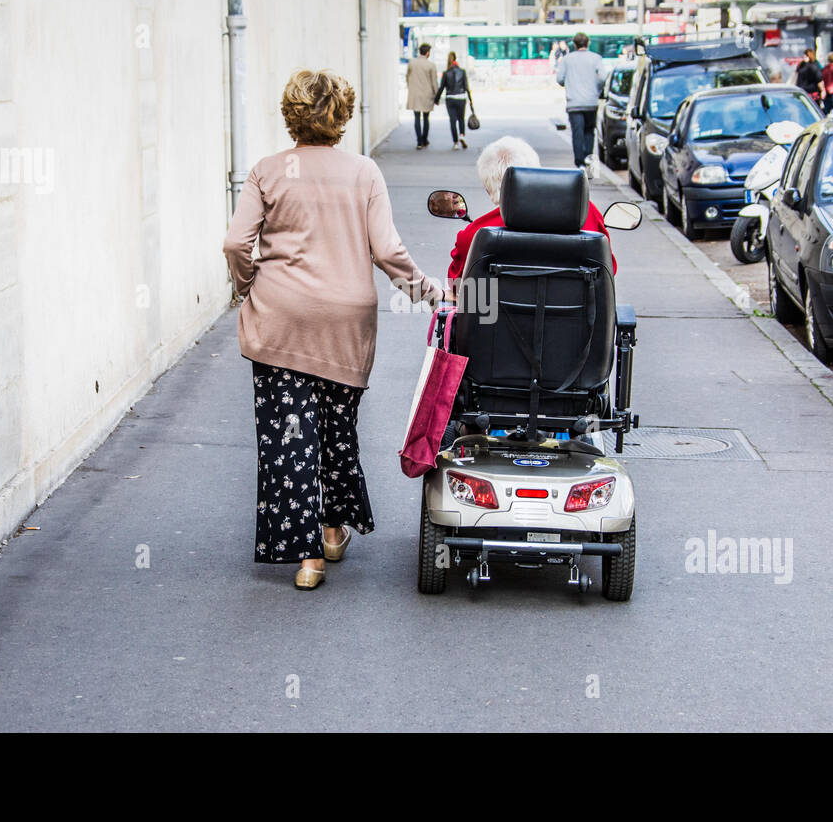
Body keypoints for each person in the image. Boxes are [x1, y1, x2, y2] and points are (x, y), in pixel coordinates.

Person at [223, 69, 442, 590]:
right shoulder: (363, 172)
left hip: (280, 322)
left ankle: (308, 561)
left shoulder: (267, 171)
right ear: (341, 117)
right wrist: (430, 292)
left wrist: (248, 284)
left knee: (288, 440)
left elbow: (235, 244)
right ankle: (330, 529)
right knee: (336, 433)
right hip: (344, 325)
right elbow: (387, 252)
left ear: (291, 115)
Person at [447, 136, 617, 285]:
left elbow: (456, 284)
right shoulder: (585, 212)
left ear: (487, 187)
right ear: (536, 172)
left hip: (495, 320)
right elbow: (609, 270)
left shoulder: (476, 234)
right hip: (579, 320)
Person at [555, 32, 605, 169]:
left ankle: (580, 162)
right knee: (589, 131)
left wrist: (570, 83)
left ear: (575, 44)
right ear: (588, 43)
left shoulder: (567, 59)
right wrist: (596, 89)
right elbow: (602, 78)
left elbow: (559, 79)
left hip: (574, 103)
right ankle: (588, 157)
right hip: (591, 102)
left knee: (577, 132)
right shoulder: (596, 58)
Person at [435, 50, 470, 150]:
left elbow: (441, 87)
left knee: (453, 121)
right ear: (456, 59)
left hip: (450, 98)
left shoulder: (446, 73)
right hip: (461, 98)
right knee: (461, 119)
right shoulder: (462, 71)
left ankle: (455, 143)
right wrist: (470, 100)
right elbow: (466, 87)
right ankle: (462, 136)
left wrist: (436, 99)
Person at [406, 43, 438, 149]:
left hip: (414, 94)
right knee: (425, 118)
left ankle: (419, 141)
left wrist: (411, 87)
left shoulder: (412, 63)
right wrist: (436, 95)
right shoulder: (431, 65)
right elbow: (434, 82)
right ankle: (425, 139)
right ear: (428, 53)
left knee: (416, 118)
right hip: (426, 95)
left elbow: (408, 77)